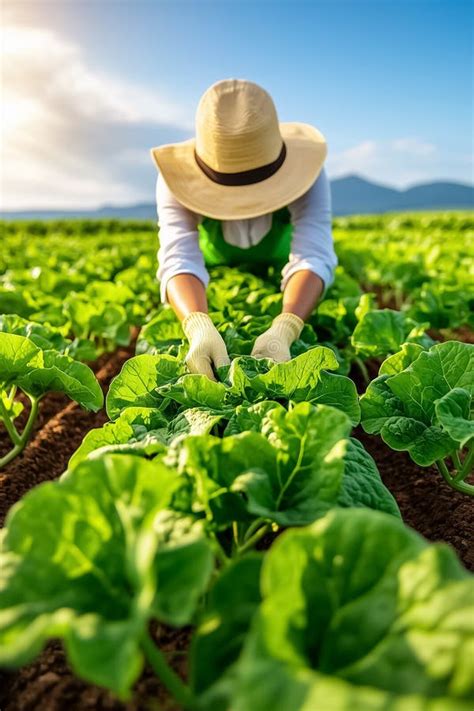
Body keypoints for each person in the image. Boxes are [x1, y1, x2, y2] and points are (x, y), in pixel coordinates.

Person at [150, 78, 337, 380]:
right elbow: (178, 257)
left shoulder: (311, 176)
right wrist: (198, 324)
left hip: (285, 276)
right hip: (212, 274)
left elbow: (313, 254)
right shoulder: (174, 183)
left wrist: (286, 326)